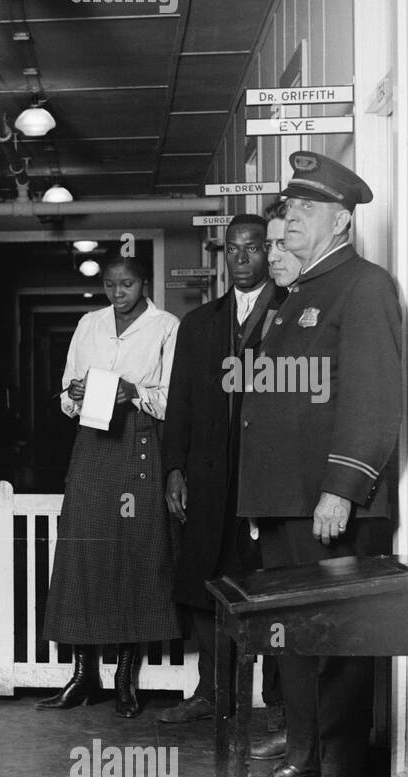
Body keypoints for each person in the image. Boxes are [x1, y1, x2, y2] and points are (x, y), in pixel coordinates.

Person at [239, 151, 403, 777]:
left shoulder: (364, 286)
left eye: (306, 208)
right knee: (299, 640)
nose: (291, 218)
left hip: (326, 502)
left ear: (342, 222)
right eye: (288, 208)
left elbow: (371, 395)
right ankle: (304, 755)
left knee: (338, 642)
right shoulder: (295, 295)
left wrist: (342, 488)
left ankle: (339, 770)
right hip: (286, 500)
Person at [38, 252, 181, 718]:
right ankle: (82, 676)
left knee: (132, 555)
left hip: (137, 444)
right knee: (82, 552)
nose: (117, 294)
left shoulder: (165, 327)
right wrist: (75, 394)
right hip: (92, 446)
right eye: (110, 285)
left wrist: (133, 392)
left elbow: (173, 397)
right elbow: (63, 392)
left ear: (144, 284)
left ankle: (124, 678)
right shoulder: (89, 324)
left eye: (126, 285)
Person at [161, 214, 285, 740]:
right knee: (205, 583)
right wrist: (173, 469)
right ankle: (213, 692)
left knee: (272, 589)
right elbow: (180, 403)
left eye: (252, 248)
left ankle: (279, 704)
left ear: (267, 252)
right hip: (209, 481)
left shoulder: (293, 311)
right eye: (233, 249)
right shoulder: (200, 323)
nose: (241, 257)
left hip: (267, 482)